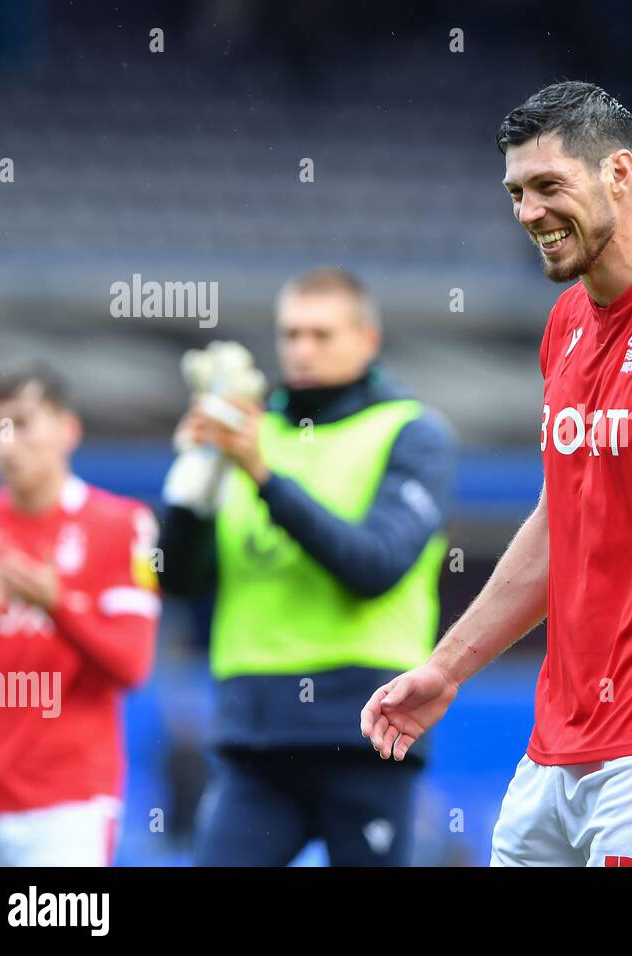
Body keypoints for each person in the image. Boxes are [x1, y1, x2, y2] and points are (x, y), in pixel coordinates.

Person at [363, 81, 632, 867]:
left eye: (549, 186)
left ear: (618, 174)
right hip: (557, 749)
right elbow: (561, 522)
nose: (529, 212)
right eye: (517, 193)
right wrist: (445, 668)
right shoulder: (565, 324)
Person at [158, 267, 457, 867]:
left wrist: (263, 475)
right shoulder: (249, 432)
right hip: (256, 736)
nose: (301, 350)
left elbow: (373, 566)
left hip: (368, 729)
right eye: (290, 334)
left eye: (321, 334)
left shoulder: (411, 432)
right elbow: (177, 578)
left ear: (367, 339)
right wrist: (195, 474)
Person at [0, 363, 160, 865]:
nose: (6, 445)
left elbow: (132, 664)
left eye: (23, 424)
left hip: (66, 804)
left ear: (68, 430)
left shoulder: (122, 524)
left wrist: (60, 606)